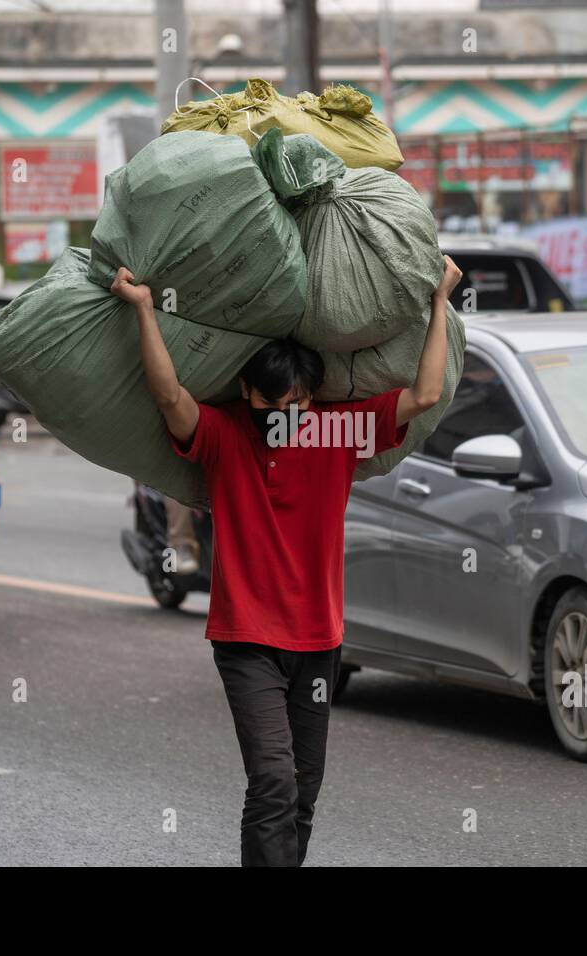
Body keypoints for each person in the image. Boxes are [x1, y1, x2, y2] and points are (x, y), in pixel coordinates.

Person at [111, 256, 461, 866]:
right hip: (246, 640)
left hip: (320, 641)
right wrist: (143, 307)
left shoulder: (336, 434)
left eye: (295, 403)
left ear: (310, 397)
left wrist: (439, 303)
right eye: (269, 404)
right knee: (272, 780)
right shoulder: (223, 437)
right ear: (246, 394)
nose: (283, 417)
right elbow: (169, 394)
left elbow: (425, 393)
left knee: (303, 793)